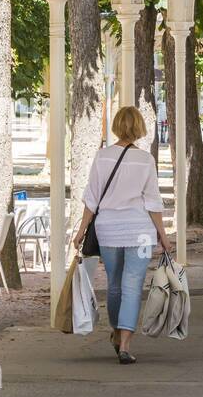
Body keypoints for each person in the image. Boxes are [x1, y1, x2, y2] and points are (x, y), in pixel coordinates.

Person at [72, 106, 172, 365]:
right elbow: (152, 201)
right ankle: (125, 342)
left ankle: (117, 333)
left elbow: (91, 198)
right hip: (140, 233)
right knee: (132, 285)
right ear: (139, 127)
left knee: (114, 285)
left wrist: (81, 230)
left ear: (117, 125)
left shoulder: (102, 157)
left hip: (109, 231)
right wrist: (163, 235)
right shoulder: (146, 160)